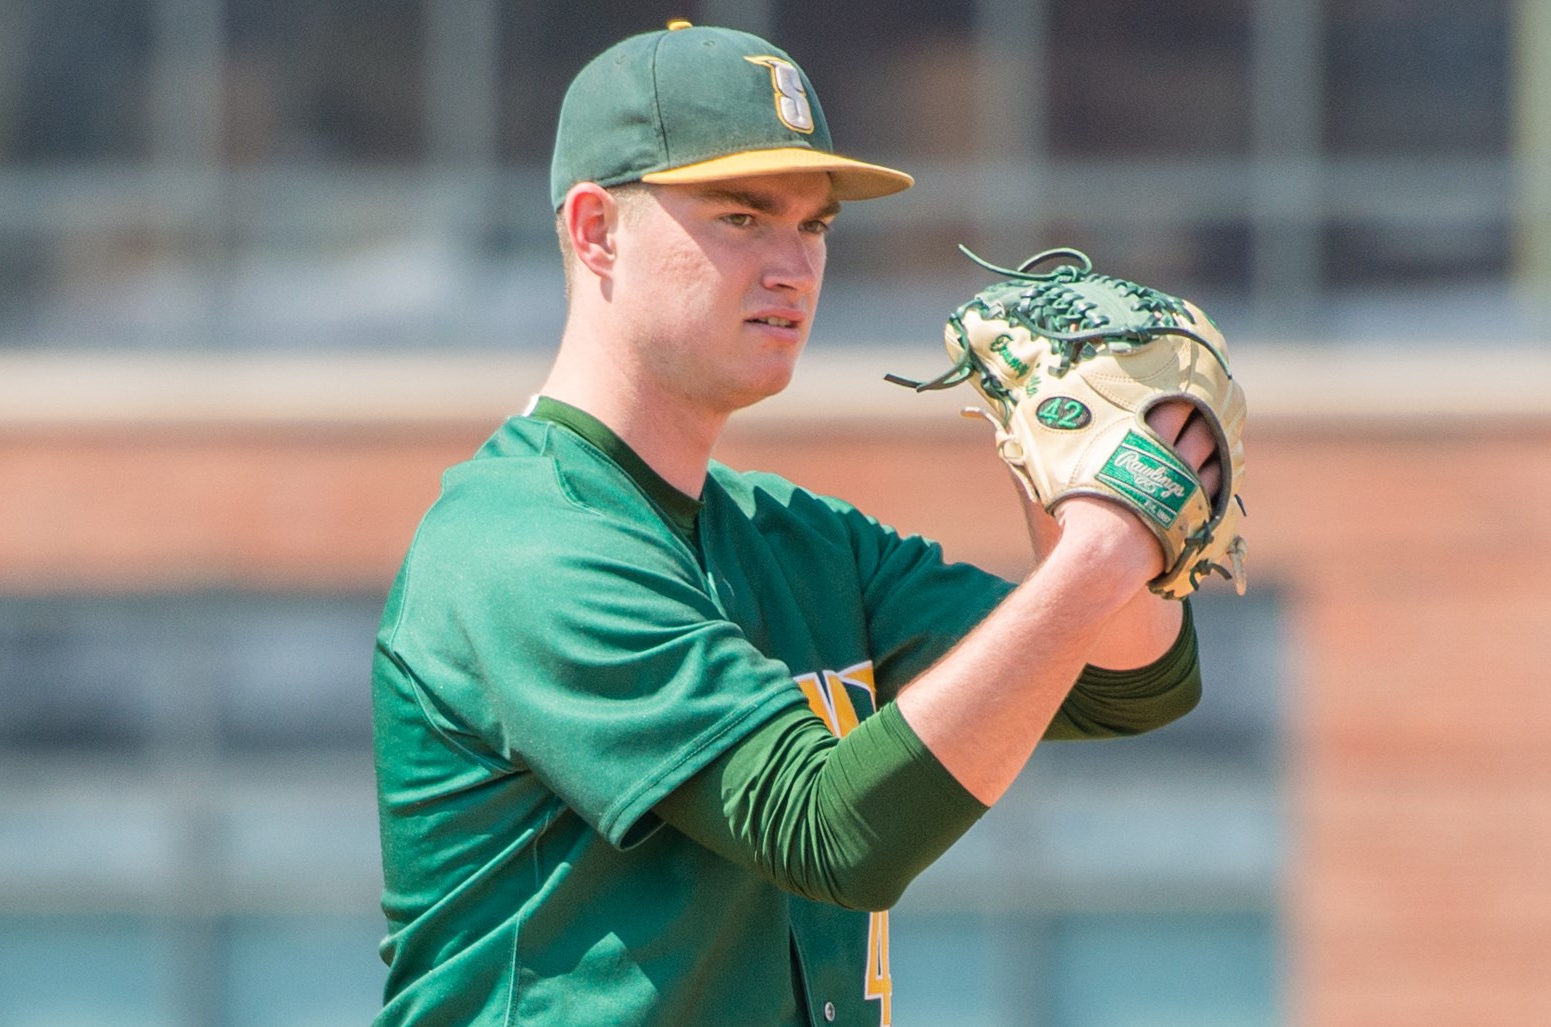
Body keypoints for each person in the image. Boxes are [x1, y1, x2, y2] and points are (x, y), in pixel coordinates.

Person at [371, 21, 1217, 1027]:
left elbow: (1124, 682)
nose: (792, 265)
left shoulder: (796, 540)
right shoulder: (520, 544)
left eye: (813, 226)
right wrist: (1105, 552)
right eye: (740, 215)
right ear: (596, 230)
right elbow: (833, 832)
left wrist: (1080, 493)